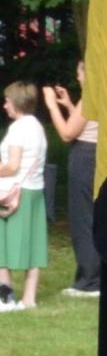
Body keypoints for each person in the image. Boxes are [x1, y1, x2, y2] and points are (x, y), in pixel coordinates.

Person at [42, 61, 99, 298]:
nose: (77, 77)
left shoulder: (91, 97)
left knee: (82, 218)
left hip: (85, 157)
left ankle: (88, 281)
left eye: (79, 72)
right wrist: (67, 105)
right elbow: (84, 123)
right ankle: (97, 278)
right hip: (97, 154)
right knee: (94, 216)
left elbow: (67, 133)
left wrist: (50, 106)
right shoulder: (102, 96)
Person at [0, 81, 50, 312]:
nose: (5, 105)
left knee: (3, 246)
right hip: (34, 191)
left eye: (7, 100)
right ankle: (29, 299)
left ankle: (5, 297)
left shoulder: (18, 129)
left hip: (12, 193)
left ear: (16, 102)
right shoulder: (37, 126)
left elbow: (12, 166)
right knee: (34, 245)